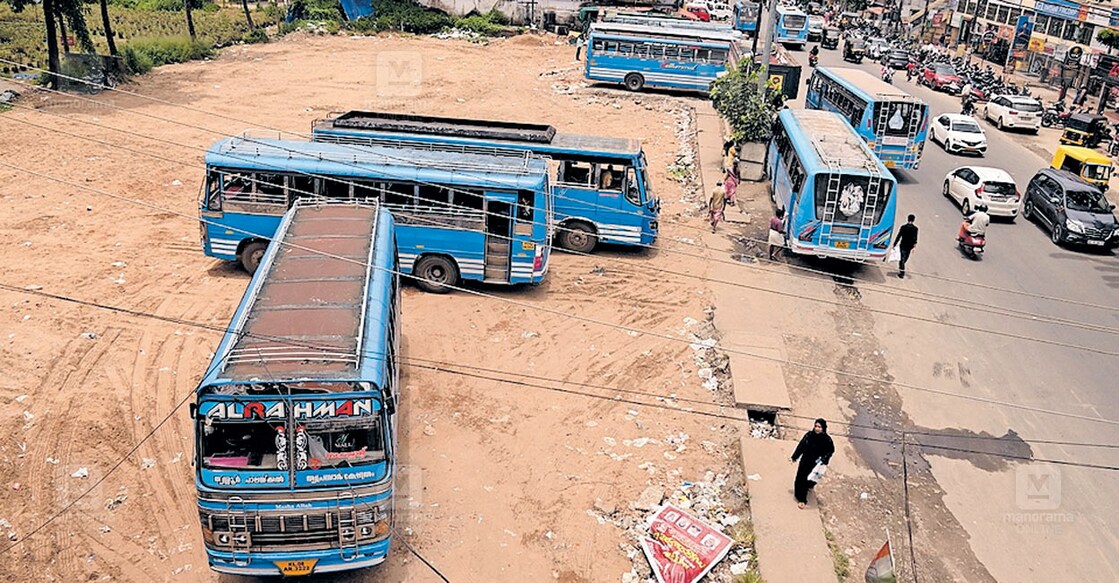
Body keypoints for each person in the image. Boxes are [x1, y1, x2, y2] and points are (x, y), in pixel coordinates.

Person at [790, 418, 835, 509]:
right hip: (805, 461)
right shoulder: (809, 435)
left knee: (811, 478)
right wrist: (794, 457)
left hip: (816, 464)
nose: (817, 428)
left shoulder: (827, 440)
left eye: (819, 427)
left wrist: (823, 459)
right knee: (801, 478)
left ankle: (810, 486)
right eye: (816, 426)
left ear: (823, 428)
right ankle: (801, 498)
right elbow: (801, 446)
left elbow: (830, 451)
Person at [893, 214, 918, 278]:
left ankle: (901, 269)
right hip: (909, 246)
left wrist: (895, 243)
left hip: (903, 245)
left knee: (902, 259)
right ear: (913, 220)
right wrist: (914, 247)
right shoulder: (915, 229)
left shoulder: (903, 227)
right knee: (905, 258)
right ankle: (902, 271)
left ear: (908, 219)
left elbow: (899, 236)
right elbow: (915, 238)